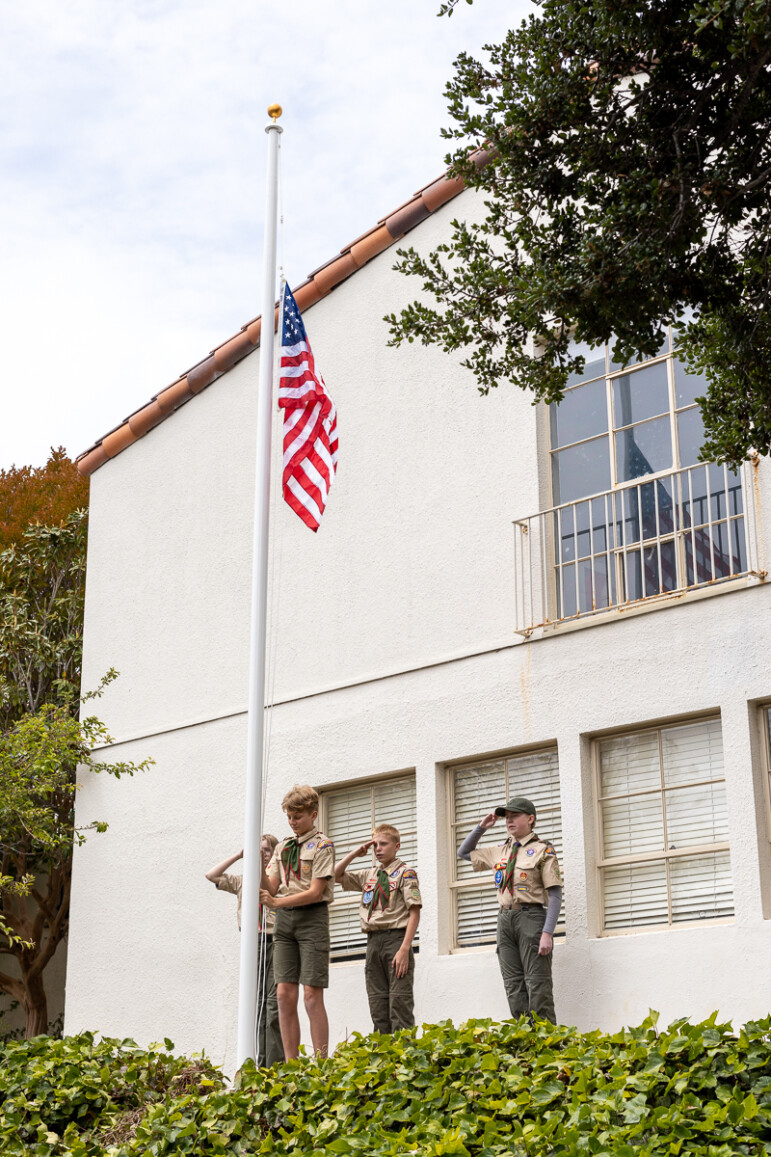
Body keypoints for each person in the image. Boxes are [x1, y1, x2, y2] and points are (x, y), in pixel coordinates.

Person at [458, 795, 562, 1023]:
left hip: (531, 917)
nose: (509, 821)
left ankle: (547, 1045)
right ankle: (523, 1041)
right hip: (505, 919)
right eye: (507, 817)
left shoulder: (543, 850)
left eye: (515, 816)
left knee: (538, 984)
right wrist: (481, 828)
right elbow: (464, 853)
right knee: (513, 984)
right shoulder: (501, 850)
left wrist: (547, 933)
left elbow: (554, 894)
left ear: (531, 819)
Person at [260, 785, 334, 1059]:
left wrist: (276, 902)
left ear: (313, 814)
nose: (293, 822)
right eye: (289, 817)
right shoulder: (283, 847)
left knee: (311, 996)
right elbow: (271, 884)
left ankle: (321, 1062)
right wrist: (258, 864)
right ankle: (291, 1064)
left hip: (311, 918)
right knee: (283, 995)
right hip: (284, 923)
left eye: (298, 816)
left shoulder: (322, 845)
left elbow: (315, 891)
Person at [205, 836, 285, 1067]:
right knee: (256, 1004)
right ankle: (258, 1064)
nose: (263, 854)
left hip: (274, 939)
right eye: (258, 851)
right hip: (253, 941)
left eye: (267, 850)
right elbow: (212, 875)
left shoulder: (279, 883)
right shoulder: (243, 882)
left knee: (273, 1004)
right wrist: (240, 855)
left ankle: (274, 1065)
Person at [335, 823, 421, 1035]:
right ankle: (383, 1059)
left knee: (399, 1005)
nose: (378, 849)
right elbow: (335, 875)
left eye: (383, 844)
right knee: (378, 1005)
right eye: (375, 845)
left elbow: (414, 912)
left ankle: (404, 1062)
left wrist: (404, 948)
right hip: (373, 942)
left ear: (397, 846)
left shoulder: (405, 873)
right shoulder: (369, 875)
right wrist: (356, 853)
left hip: (396, 940)